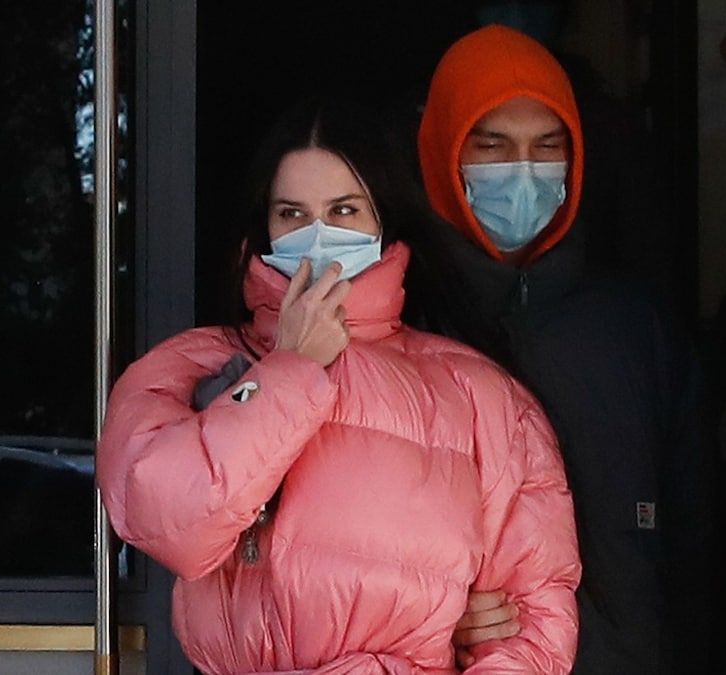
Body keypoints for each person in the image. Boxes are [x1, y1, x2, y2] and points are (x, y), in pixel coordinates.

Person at [95, 97, 581, 673]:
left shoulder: (482, 396)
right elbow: (170, 524)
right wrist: (288, 370)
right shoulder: (190, 366)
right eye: (292, 214)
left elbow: (535, 627)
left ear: (385, 220)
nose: (319, 235)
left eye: (346, 210)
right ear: (265, 226)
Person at [417, 26, 717, 673]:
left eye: (547, 147)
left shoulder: (637, 330)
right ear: (443, 149)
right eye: (493, 147)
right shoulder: (401, 328)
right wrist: (431, 617)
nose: (523, 173)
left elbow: (695, 553)